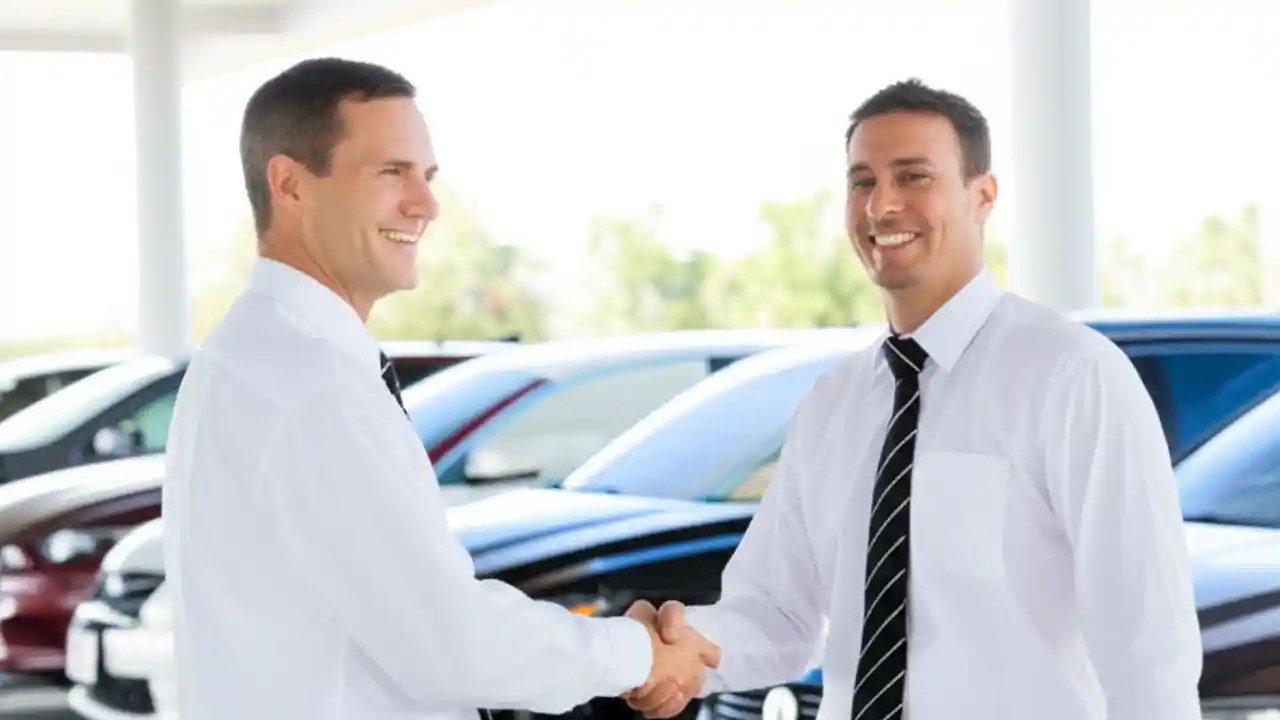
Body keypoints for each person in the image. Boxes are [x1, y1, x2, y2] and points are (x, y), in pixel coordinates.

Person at [625, 79, 1203, 719]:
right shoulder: (835, 402)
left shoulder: (1074, 377)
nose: (881, 206)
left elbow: (1148, 648)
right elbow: (778, 611)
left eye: (913, 176)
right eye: (862, 182)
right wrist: (676, 650)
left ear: (982, 195)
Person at [161, 57, 718, 720]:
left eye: (425, 176)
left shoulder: (246, 356)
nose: (425, 205)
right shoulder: (315, 385)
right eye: (390, 172)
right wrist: (640, 656)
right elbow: (452, 642)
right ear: (290, 185)